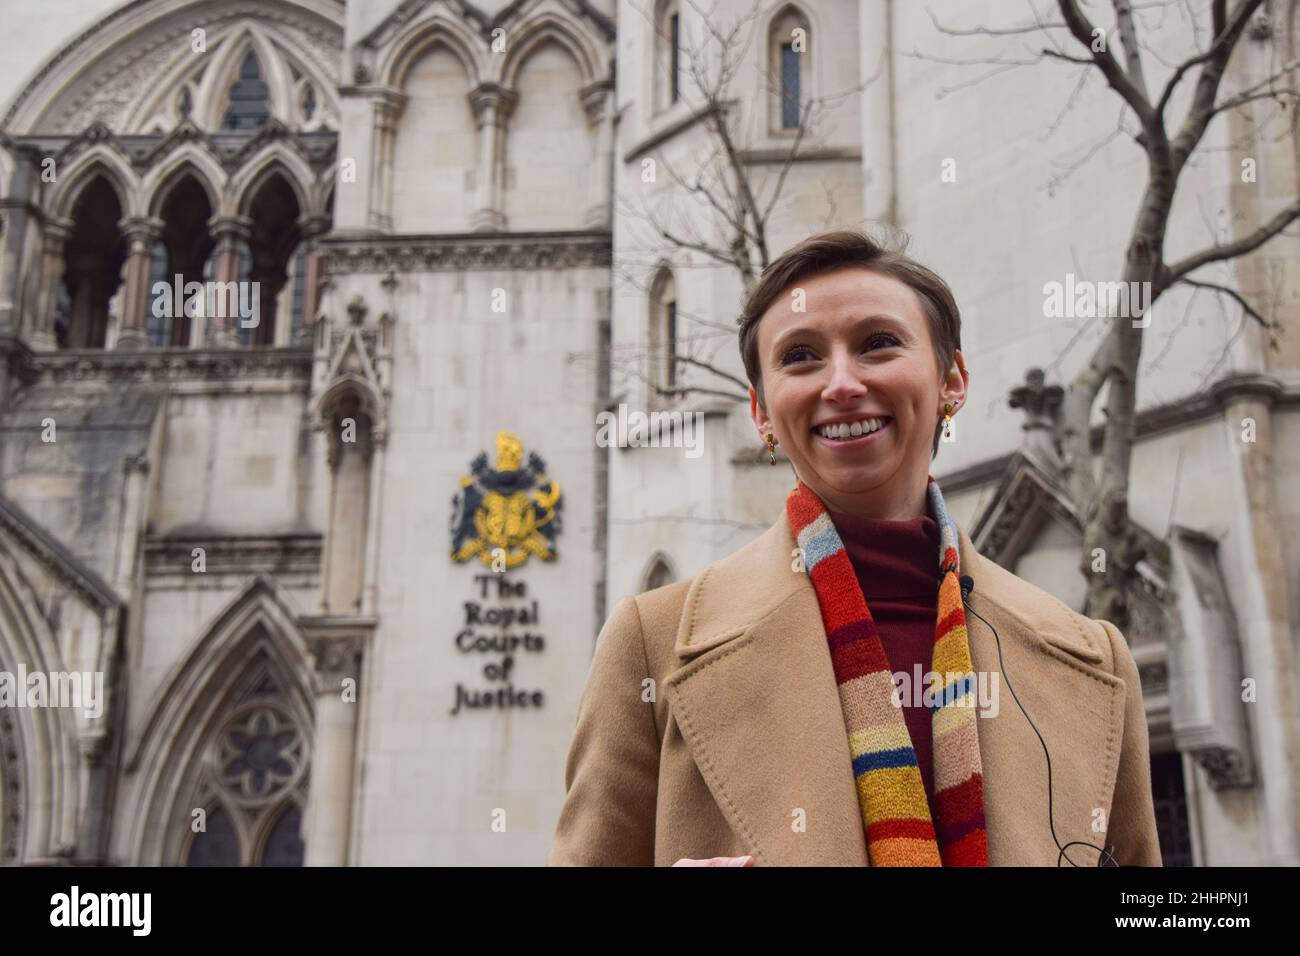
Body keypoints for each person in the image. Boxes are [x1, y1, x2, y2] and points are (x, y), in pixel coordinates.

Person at [549, 229, 1162, 867]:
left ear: (952, 379)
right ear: (761, 412)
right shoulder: (652, 644)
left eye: (878, 344)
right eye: (800, 356)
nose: (841, 383)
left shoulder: (1096, 659)